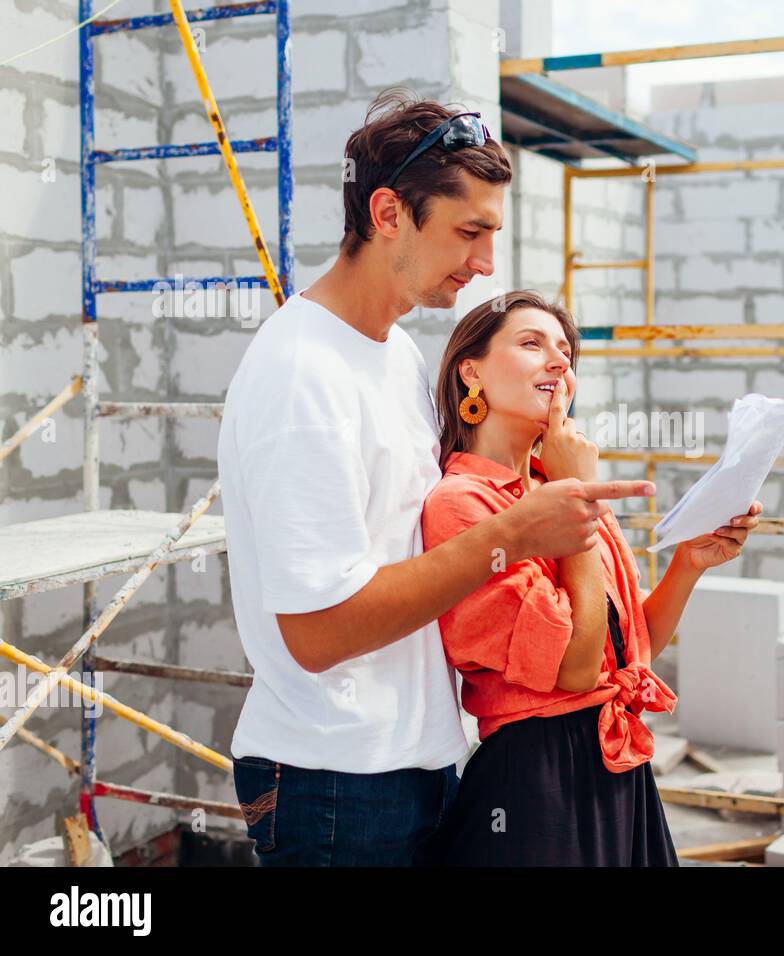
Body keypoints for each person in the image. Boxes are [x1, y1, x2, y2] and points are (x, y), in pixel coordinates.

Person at [217, 92, 653, 866]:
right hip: (334, 782)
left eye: (492, 234)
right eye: (469, 232)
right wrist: (513, 535)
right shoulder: (300, 374)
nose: (485, 262)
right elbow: (318, 634)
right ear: (389, 213)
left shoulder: (394, 356)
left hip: (418, 762)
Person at [418, 291, 762, 866]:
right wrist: (572, 494)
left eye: (565, 352)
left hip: (618, 768)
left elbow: (626, 649)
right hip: (536, 785)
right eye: (532, 344)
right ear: (469, 372)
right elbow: (576, 670)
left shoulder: (560, 484)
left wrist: (689, 564)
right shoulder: (461, 504)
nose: (559, 361)